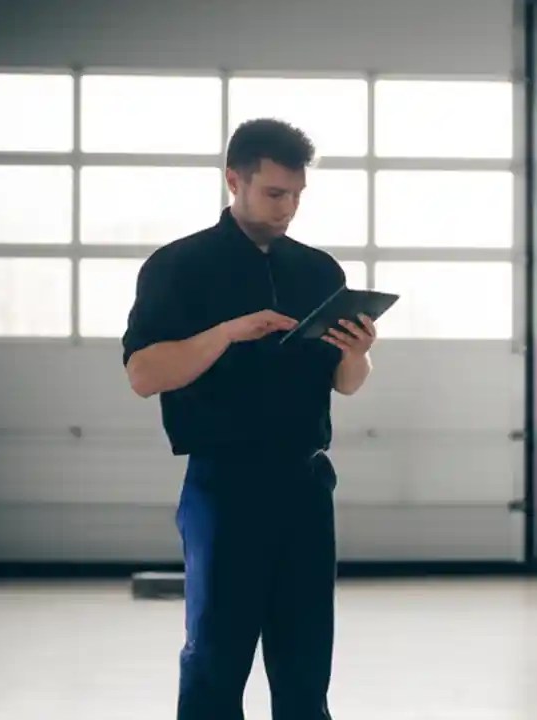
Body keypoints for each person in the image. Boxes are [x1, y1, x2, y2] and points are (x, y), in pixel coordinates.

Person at [122, 118, 374, 720]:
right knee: (216, 656)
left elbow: (345, 385)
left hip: (306, 484)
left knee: (306, 661)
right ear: (234, 179)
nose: (288, 209)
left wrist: (357, 353)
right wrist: (229, 333)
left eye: (296, 196)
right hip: (224, 484)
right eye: (274, 193)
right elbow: (143, 374)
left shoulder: (319, 272)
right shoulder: (179, 267)